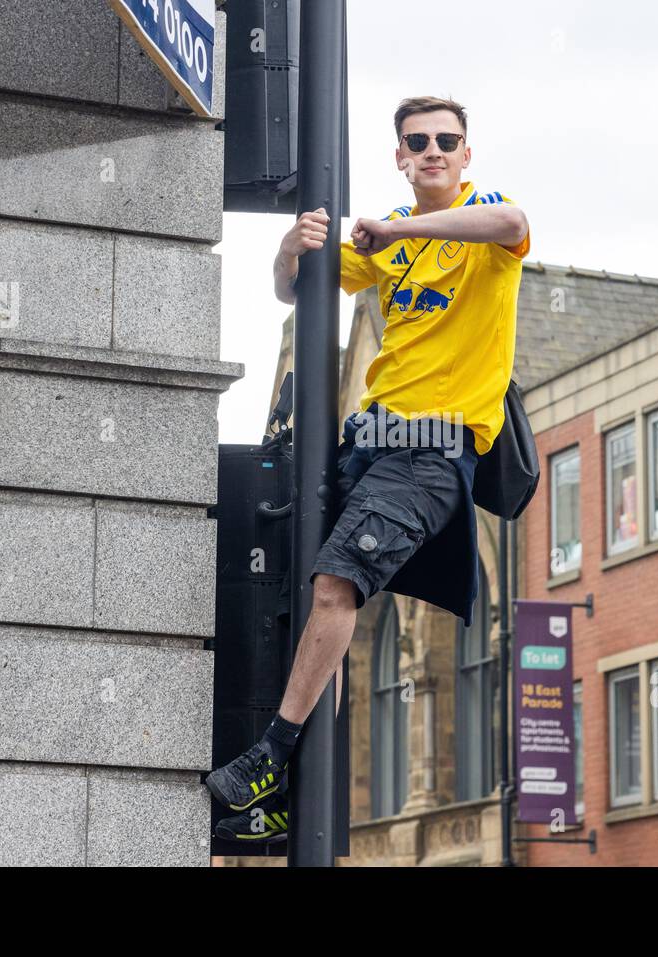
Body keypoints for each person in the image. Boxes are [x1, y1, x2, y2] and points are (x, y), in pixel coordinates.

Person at [210, 95, 530, 842]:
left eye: (446, 140)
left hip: (432, 449)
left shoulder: (485, 220)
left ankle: (270, 754)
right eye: (417, 142)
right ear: (400, 155)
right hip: (368, 440)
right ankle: (298, 792)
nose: (432, 151)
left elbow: (511, 227)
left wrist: (396, 227)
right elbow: (297, 288)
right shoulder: (384, 244)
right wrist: (291, 245)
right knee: (316, 596)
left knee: (335, 583)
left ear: (466, 153)